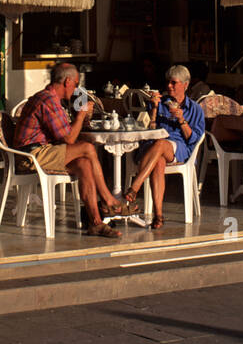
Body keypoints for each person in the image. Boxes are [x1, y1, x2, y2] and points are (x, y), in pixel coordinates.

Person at [13, 61, 132, 238]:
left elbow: (66, 133)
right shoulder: (47, 99)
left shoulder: (53, 100)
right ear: (68, 81)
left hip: (44, 151)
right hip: (30, 155)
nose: (76, 89)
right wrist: (82, 113)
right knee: (88, 148)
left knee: (84, 163)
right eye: (76, 84)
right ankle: (109, 200)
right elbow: (68, 139)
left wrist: (81, 118)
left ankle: (96, 223)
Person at [122, 65, 206, 229]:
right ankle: (158, 215)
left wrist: (181, 120)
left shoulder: (195, 109)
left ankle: (135, 186)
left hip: (179, 147)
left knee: (161, 143)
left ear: (185, 85)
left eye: (174, 83)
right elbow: (152, 130)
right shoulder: (161, 103)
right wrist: (153, 109)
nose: (169, 86)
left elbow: (193, 139)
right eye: (168, 82)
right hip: (153, 147)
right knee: (159, 159)